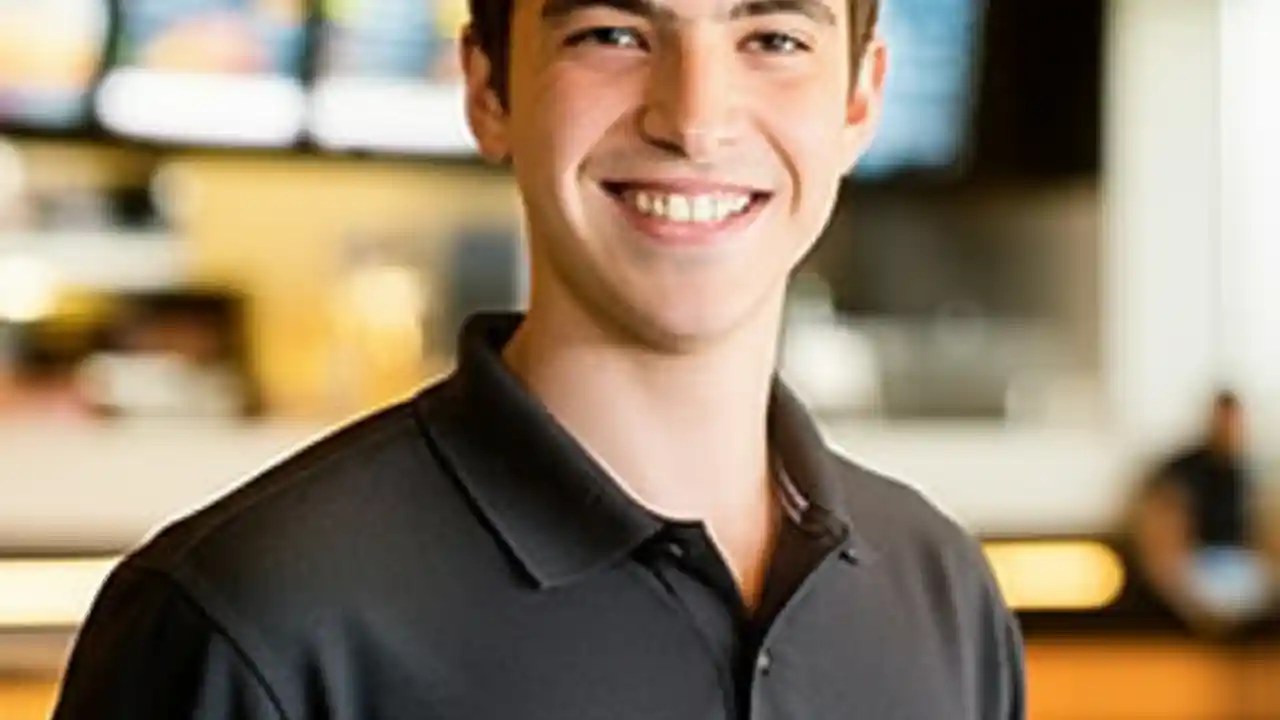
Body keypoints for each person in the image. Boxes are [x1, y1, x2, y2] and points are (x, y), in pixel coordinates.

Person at [53, 0, 1025, 717]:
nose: (694, 118)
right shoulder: (248, 618)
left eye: (772, 39)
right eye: (612, 33)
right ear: (485, 89)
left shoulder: (940, 592)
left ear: (860, 100)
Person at [1131, 391, 1276, 633]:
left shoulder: (1252, 470)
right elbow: (1160, 526)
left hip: (1243, 565)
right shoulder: (1182, 470)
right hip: (1197, 564)